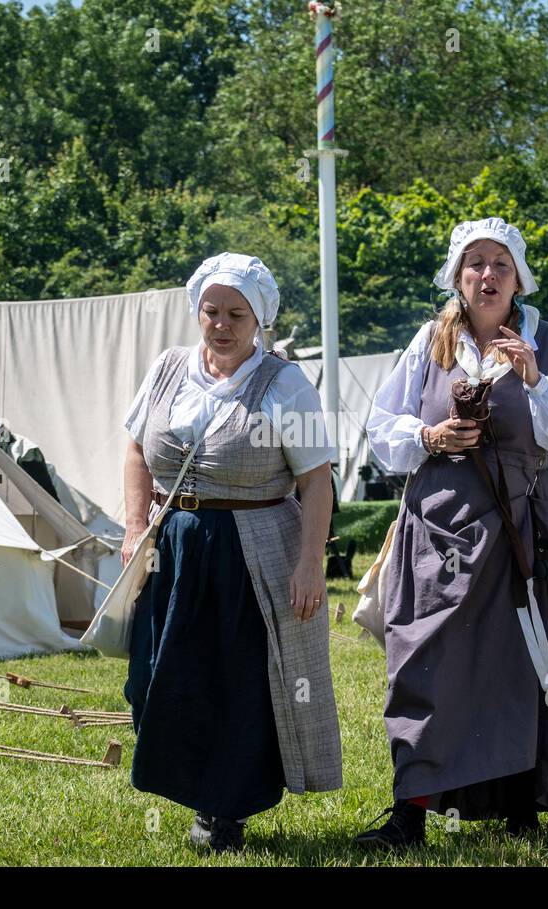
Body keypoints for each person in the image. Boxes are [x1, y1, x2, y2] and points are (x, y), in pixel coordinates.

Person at [356, 217, 548, 849]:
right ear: (457, 276)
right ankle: (410, 809)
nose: (487, 274)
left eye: (500, 263)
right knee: (422, 662)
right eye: (475, 263)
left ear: (518, 277)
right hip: (441, 528)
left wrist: (534, 382)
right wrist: (430, 437)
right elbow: (381, 426)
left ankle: (522, 802)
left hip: (527, 525)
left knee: (527, 666)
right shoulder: (430, 343)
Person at [120, 252, 343, 853]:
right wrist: (134, 527)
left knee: (238, 681)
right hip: (175, 545)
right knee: (156, 671)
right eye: (212, 311)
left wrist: (308, 563)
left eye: (235, 315)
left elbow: (317, 480)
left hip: (252, 548)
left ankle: (224, 810)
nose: (220, 324)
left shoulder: (284, 384)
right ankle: (194, 786)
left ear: (259, 320)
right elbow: (139, 451)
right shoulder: (169, 369)